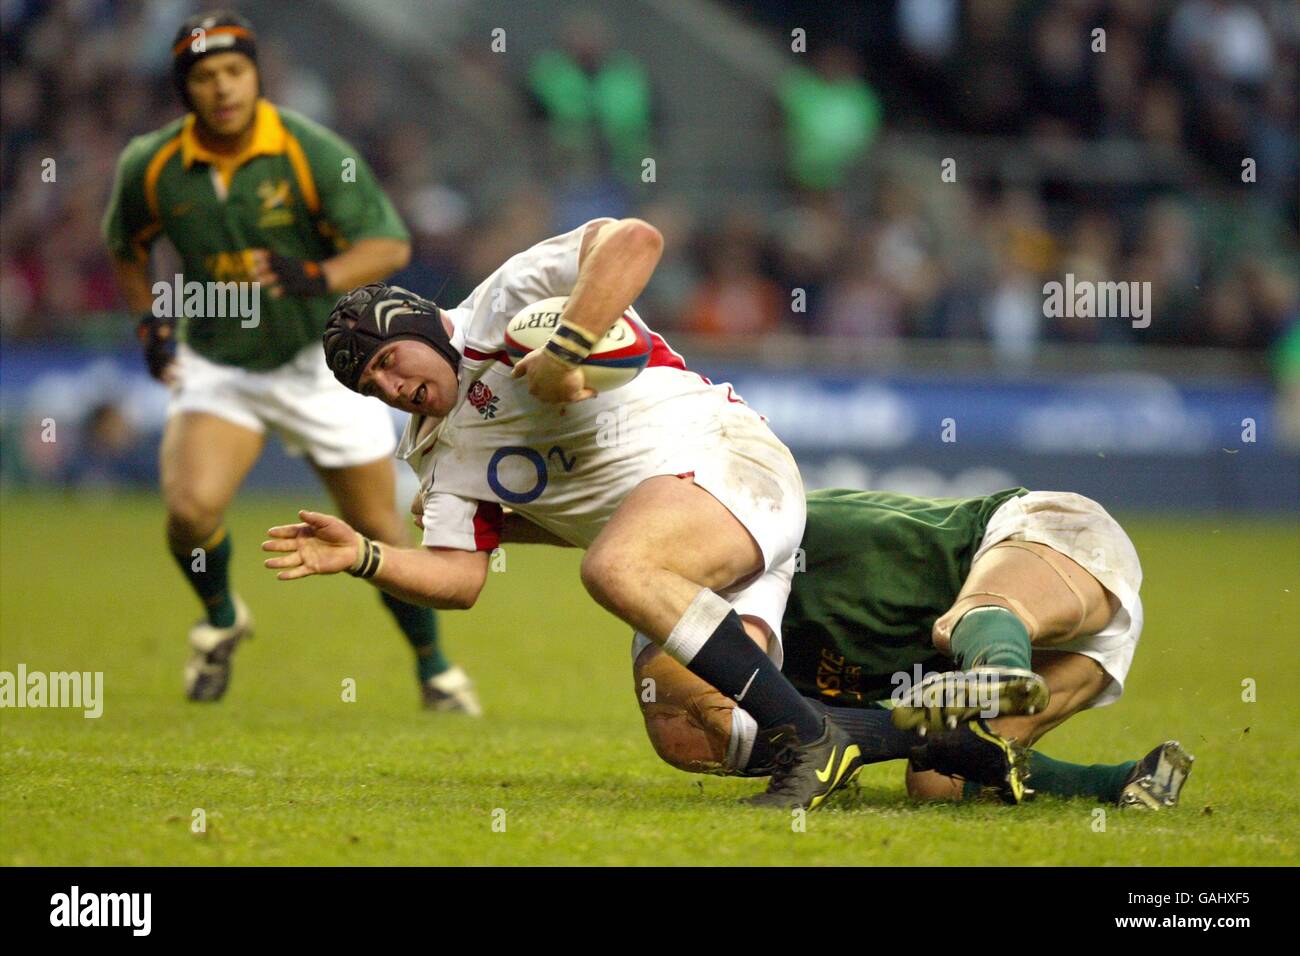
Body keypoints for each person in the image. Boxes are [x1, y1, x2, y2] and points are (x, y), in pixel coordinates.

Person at [261, 217, 906, 810]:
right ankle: (933, 732)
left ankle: (809, 741)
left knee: (614, 568)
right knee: (693, 730)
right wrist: (363, 556)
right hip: (681, 537)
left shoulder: (507, 298)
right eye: (373, 388)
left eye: (387, 362)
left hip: (729, 460)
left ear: (417, 323)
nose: (393, 389)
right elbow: (458, 581)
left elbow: (635, 240)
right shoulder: (435, 451)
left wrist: (566, 349)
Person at [101, 11, 476, 712]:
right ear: (186, 88)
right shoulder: (149, 166)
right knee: (189, 511)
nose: (223, 88)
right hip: (222, 366)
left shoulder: (309, 150)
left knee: (379, 536)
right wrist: (150, 325)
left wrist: (316, 274)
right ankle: (221, 620)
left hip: (320, 368)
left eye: (235, 72)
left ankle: (434, 668)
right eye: (206, 76)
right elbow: (127, 245)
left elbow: (387, 246)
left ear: (255, 75)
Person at [624, 487, 1193, 810]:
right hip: (1075, 659)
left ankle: (997, 669)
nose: (695, 731)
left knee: (971, 618)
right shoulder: (776, 680)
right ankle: (1122, 782)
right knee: (940, 782)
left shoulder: (777, 543)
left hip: (1047, 550)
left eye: (699, 709)